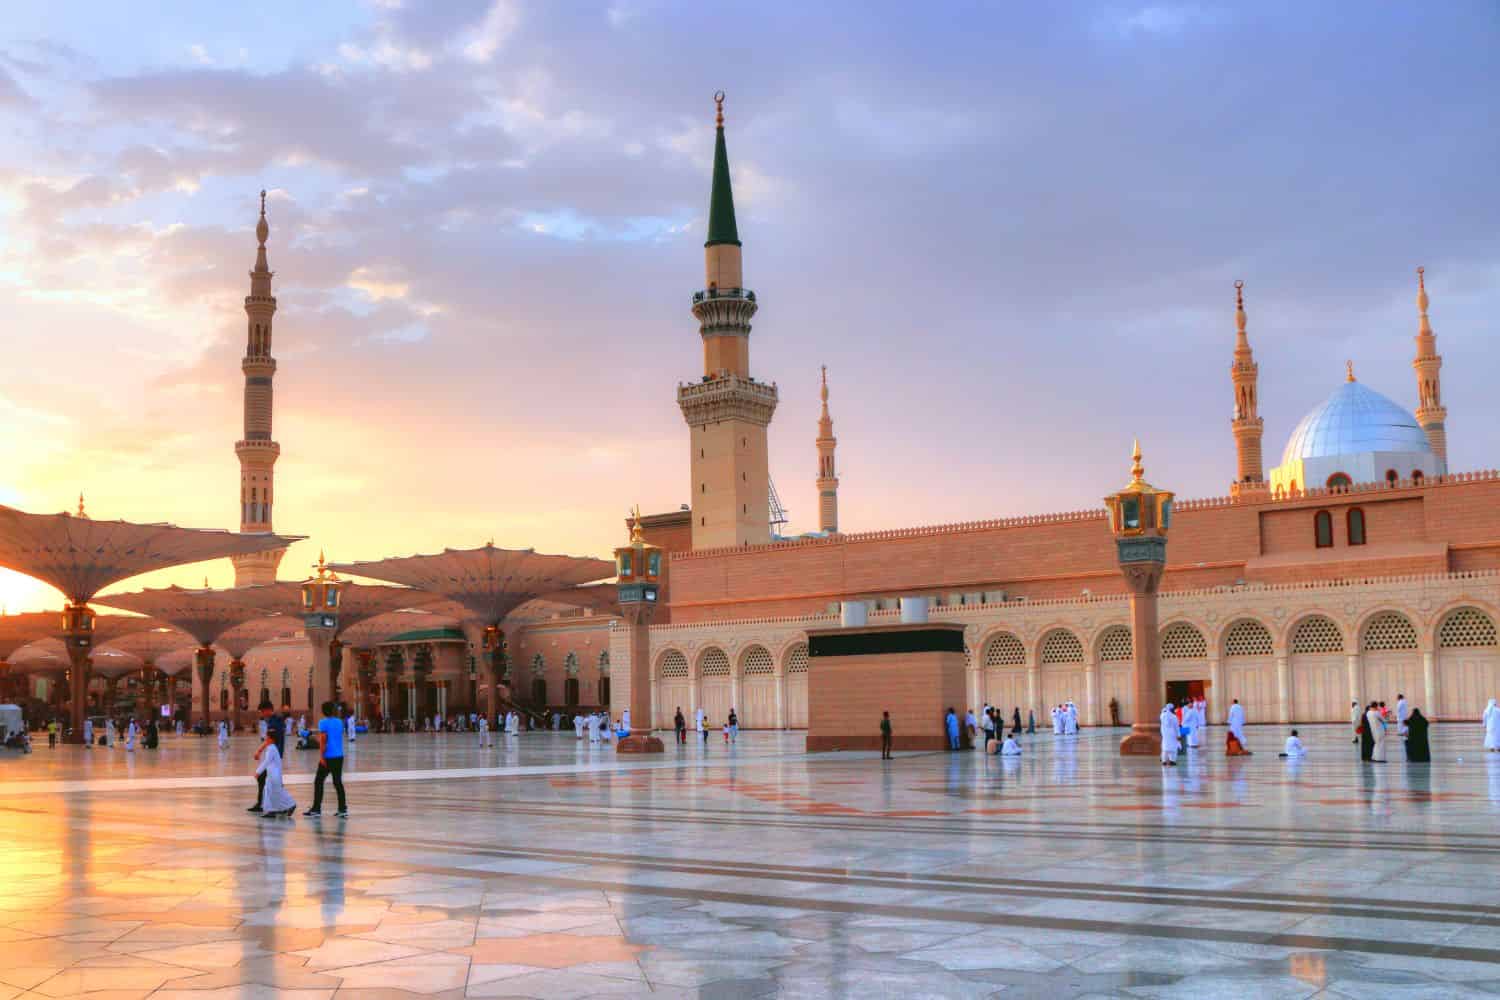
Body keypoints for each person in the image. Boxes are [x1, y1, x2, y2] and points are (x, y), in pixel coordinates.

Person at [305, 701, 348, 818]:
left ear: (324, 711)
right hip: (339, 756)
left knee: (318, 781)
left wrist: (322, 757)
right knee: (338, 782)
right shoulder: (340, 722)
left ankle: (316, 809)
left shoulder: (323, 722)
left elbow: (323, 739)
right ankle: (343, 808)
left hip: (328, 756)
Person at [249, 704, 289, 813]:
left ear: (267, 710)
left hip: (274, 754)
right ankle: (272, 804)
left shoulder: (274, 721)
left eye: (262, 712)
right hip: (276, 754)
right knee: (271, 780)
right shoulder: (276, 719)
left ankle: (285, 805)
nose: (261, 714)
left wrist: (259, 751)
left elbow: (270, 739)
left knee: (265, 778)